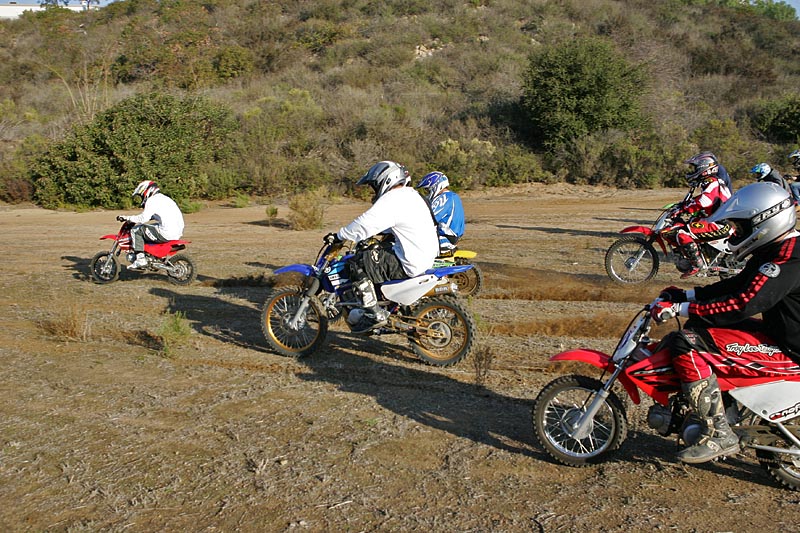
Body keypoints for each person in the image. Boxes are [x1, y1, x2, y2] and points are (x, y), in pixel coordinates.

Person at [650, 181, 800, 464]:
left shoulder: (787, 259)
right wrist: (686, 294)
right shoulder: (783, 247)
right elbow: (739, 284)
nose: (737, 233)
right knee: (704, 332)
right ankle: (728, 409)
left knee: (688, 343)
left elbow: (744, 303)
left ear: (764, 221)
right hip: (783, 335)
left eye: (741, 227)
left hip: (791, 348)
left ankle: (718, 433)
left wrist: (682, 308)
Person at [328, 161, 439, 333]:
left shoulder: (393, 198)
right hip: (425, 256)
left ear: (385, 180)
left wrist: (340, 235)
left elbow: (364, 224)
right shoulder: (410, 195)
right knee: (375, 254)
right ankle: (384, 302)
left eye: (374, 185)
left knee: (356, 262)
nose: (373, 189)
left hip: (411, 260)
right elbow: (390, 224)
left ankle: (373, 313)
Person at [667, 153, 733, 278]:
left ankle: (698, 265)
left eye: (695, 168)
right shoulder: (711, 182)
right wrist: (684, 205)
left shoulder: (712, 181)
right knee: (691, 222)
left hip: (720, 224)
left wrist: (685, 208)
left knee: (683, 233)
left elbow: (705, 201)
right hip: (717, 220)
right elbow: (704, 200)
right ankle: (704, 256)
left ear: (703, 167)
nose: (693, 171)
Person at [119, 180, 185, 269]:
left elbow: (143, 218)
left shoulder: (152, 200)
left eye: (141, 195)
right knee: (148, 228)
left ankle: (140, 258)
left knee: (136, 230)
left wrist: (128, 218)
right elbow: (155, 216)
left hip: (166, 232)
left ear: (146, 191)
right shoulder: (164, 198)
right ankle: (152, 255)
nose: (142, 198)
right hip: (177, 231)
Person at [416, 171, 466, 255]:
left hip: (443, 237)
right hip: (451, 236)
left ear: (434, 186)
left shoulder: (444, 198)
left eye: (427, 190)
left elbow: (429, 218)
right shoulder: (453, 196)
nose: (427, 193)